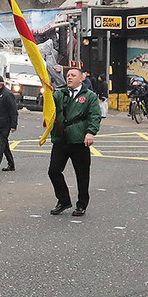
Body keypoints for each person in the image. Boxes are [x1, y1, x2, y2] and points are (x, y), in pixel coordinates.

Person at [47, 65, 101, 218]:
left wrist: (90, 132)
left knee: (82, 175)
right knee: (53, 171)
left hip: (79, 140)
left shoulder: (89, 96)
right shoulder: (60, 94)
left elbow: (94, 115)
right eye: (67, 75)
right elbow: (49, 105)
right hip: (61, 139)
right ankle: (63, 200)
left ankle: (82, 204)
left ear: (81, 78)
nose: (69, 77)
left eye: (72, 75)